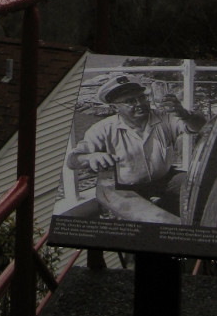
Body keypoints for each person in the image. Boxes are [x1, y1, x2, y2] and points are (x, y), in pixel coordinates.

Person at [67, 74, 205, 223]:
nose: (140, 103)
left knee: (199, 187)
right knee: (157, 221)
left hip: (164, 179)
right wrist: (90, 157)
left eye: (142, 97)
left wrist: (184, 114)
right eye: (130, 101)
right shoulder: (102, 129)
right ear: (115, 107)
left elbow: (199, 127)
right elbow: (72, 160)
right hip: (125, 187)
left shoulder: (164, 117)